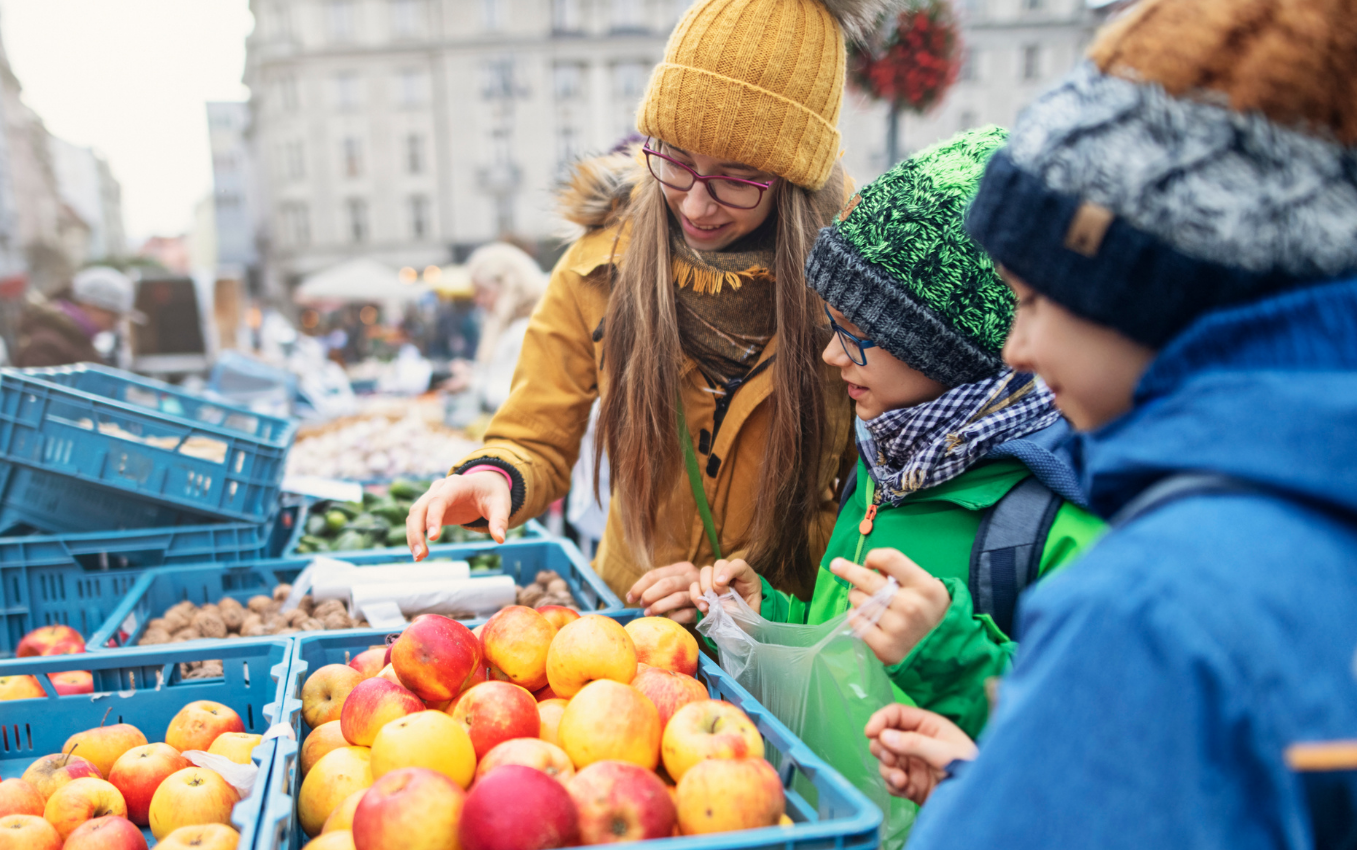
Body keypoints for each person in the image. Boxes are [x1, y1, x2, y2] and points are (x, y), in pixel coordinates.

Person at [868, 0, 1357, 845]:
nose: (1015, 347)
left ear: (1148, 292)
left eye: (1031, 300)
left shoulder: (1149, 608)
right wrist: (1000, 780)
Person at [407, 0, 890, 603]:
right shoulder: (598, 266)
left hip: (782, 634)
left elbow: (879, 497)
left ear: (790, 176)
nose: (694, 205)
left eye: (736, 179)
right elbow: (535, 434)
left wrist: (767, 599)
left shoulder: (856, 292)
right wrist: (493, 475)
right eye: (676, 162)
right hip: (630, 624)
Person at [685, 128, 1106, 741]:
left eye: (855, 333)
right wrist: (766, 620)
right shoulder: (888, 457)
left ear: (947, 350)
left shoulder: (1057, 518)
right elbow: (847, 658)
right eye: (832, 326)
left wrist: (950, 656)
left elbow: (1091, 729)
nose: (832, 354)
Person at [458, 241, 548, 412]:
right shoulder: (516, 325)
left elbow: (522, 397)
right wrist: (472, 373)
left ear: (508, 286)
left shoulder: (526, 328)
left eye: (483, 292)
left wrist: (471, 383)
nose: (478, 301)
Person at [13, 266, 143, 368]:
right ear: (89, 305)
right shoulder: (47, 343)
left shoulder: (78, 339)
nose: (115, 323)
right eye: (113, 315)